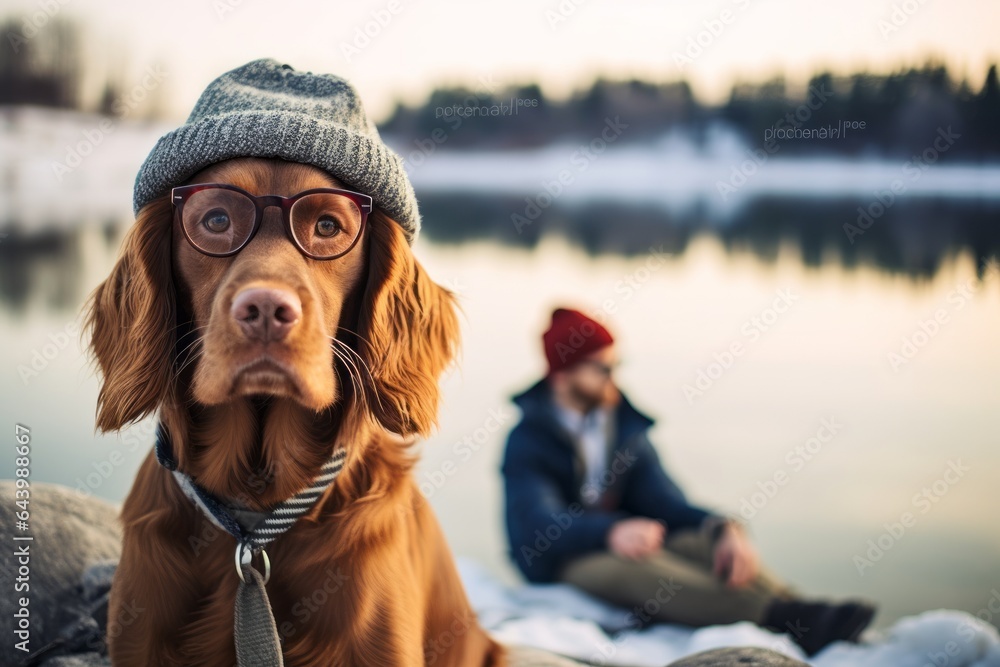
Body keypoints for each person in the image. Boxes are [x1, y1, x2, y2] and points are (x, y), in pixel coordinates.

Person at [501, 307, 876, 657]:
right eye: (603, 368)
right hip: (562, 560)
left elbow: (664, 501)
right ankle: (783, 619)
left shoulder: (621, 427)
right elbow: (537, 524)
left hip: (631, 538)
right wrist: (609, 532)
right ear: (563, 375)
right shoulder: (528, 439)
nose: (614, 377)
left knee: (701, 544)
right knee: (639, 570)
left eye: (617, 365)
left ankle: (790, 604)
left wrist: (719, 527)